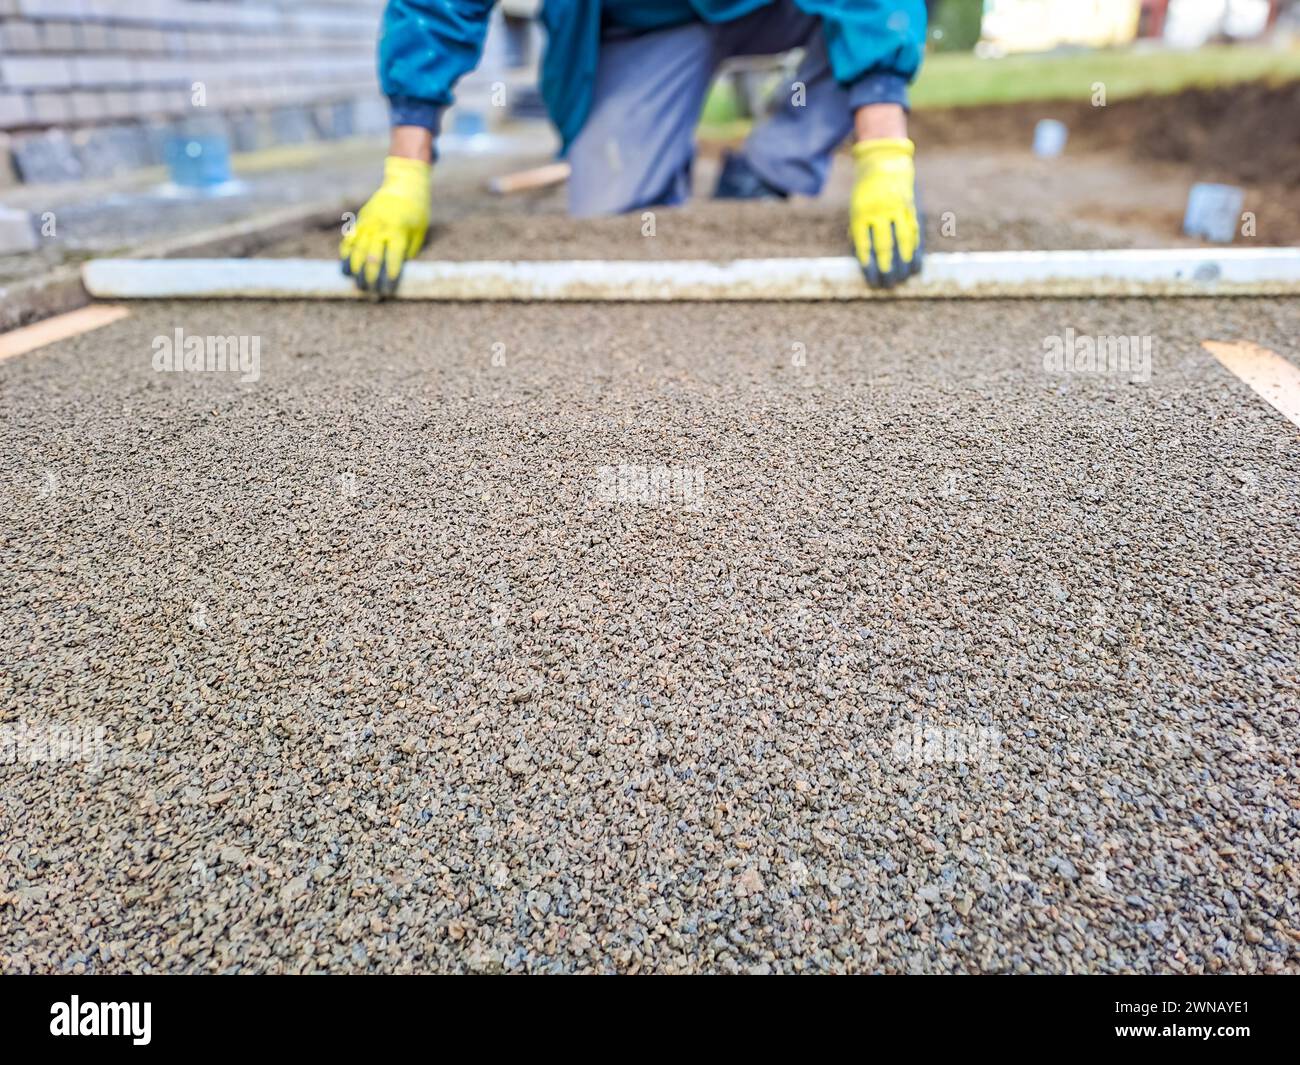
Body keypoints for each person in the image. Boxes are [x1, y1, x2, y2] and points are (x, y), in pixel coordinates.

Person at [341, 1, 927, 295]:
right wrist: (405, 171)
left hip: (778, 10)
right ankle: (662, 166)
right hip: (644, 24)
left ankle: (772, 168)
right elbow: (434, 9)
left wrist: (882, 155)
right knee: (610, 223)